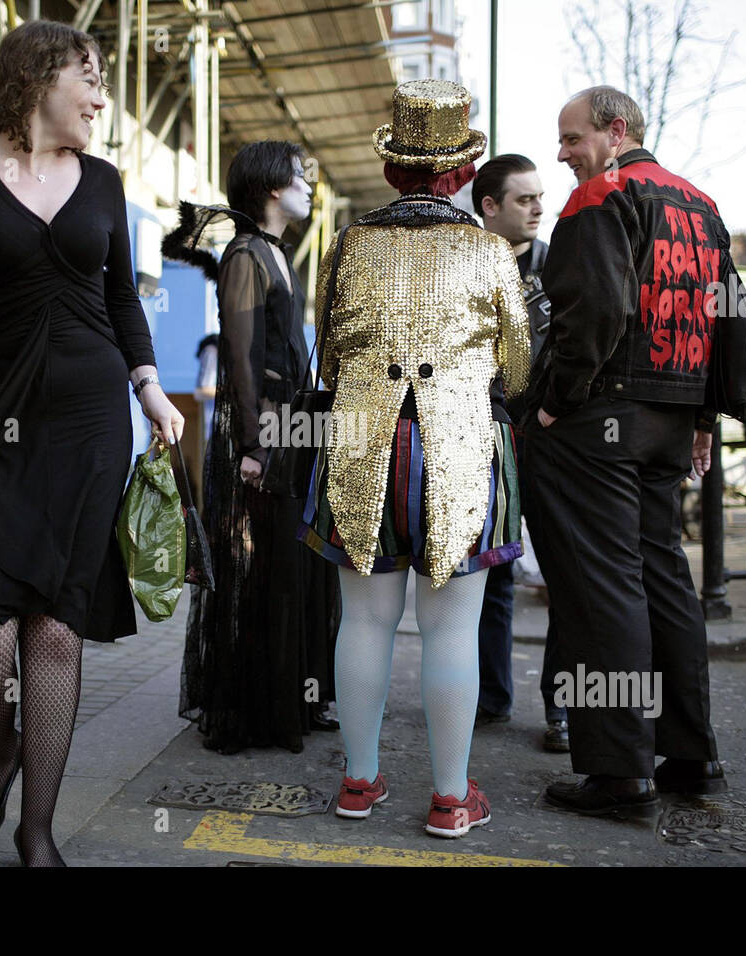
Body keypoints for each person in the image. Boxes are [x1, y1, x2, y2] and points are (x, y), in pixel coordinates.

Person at [0, 20, 182, 867]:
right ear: (36, 79)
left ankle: (38, 831)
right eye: (89, 77)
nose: (102, 96)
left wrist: (149, 386)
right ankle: (1, 749)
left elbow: (124, 299)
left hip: (93, 415)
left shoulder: (103, 178)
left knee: (57, 629)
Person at [299, 80, 532, 837]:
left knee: (362, 622)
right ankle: (450, 798)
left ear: (395, 164)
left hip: (363, 442)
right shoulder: (491, 252)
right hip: (459, 447)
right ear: (464, 170)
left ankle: (359, 785)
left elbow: (327, 358)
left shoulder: (348, 244)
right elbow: (519, 371)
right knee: (451, 630)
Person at [524, 86, 736, 819]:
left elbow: (595, 309)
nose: (562, 153)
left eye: (571, 136)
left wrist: (556, 398)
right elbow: (729, 318)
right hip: (669, 418)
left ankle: (620, 773)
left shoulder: (599, 198)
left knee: (601, 587)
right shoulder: (702, 205)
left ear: (616, 132)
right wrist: (705, 414)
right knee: (663, 575)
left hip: (600, 419)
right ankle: (690, 753)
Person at [178, 141, 342, 754]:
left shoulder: (273, 252)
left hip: (289, 428)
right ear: (272, 187)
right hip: (267, 432)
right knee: (260, 569)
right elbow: (239, 359)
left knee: (291, 565)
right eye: (301, 177)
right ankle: (257, 712)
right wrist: (252, 443)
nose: (308, 188)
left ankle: (291, 703)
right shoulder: (246, 253)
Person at [470, 153, 568, 753]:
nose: (538, 208)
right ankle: (488, 698)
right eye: (524, 199)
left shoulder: (559, 266)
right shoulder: (464, 265)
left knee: (564, 576)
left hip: (550, 440)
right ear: (490, 206)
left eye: (539, 197)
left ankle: (562, 711)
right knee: (491, 572)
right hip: (480, 440)